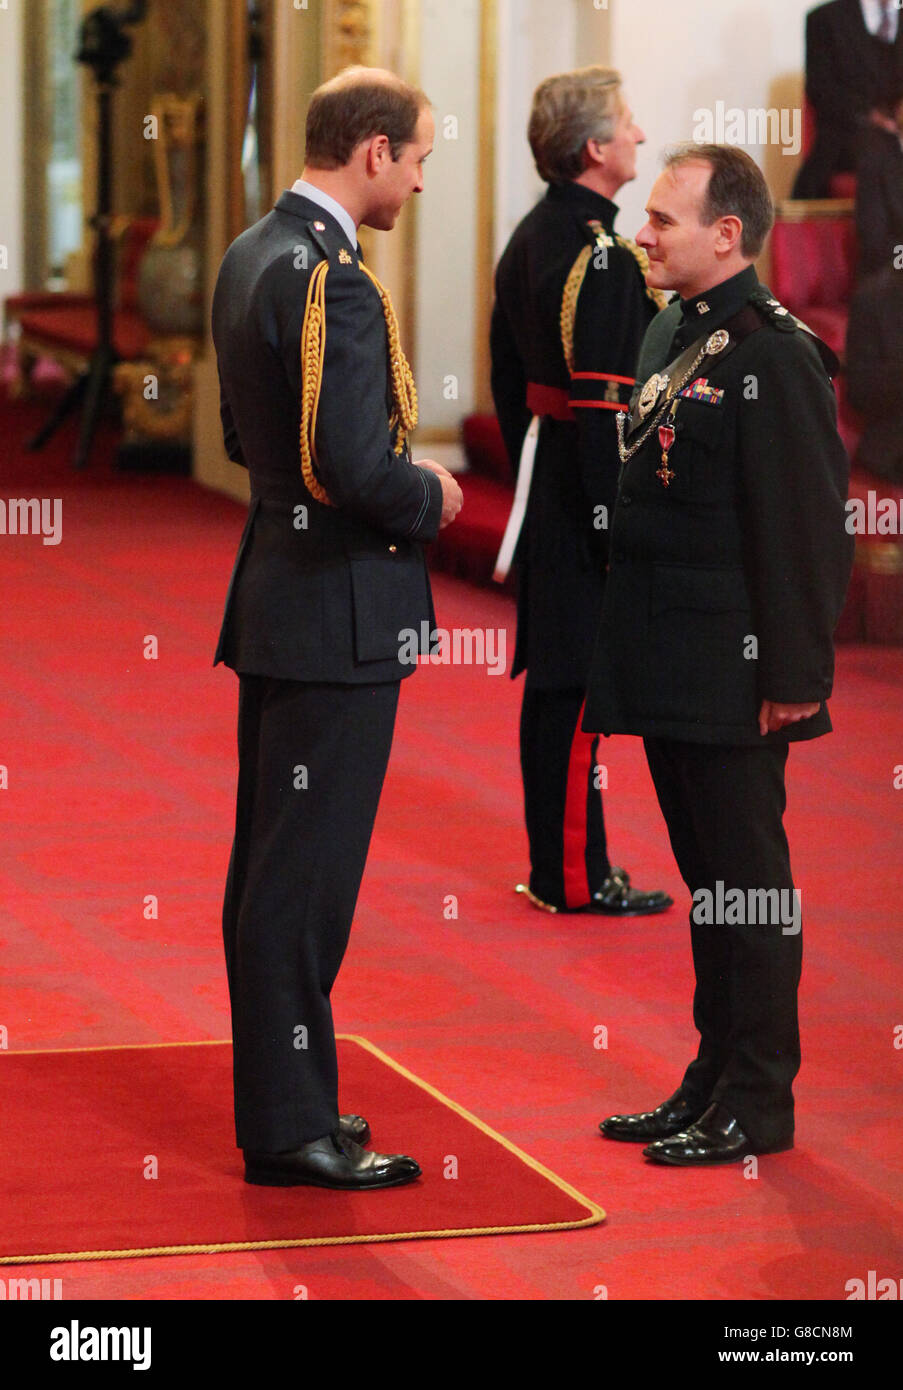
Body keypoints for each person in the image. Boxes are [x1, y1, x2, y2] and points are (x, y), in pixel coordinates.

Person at [212, 67, 462, 1189]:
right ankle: (288, 1129)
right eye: (414, 158)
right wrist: (435, 499)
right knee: (303, 886)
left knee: (271, 873)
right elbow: (355, 466)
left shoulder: (251, 250)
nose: (416, 178)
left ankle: (293, 1101)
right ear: (370, 150)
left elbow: (240, 429)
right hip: (338, 612)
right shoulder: (337, 283)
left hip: (278, 591)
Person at [586, 145, 854, 1164]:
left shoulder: (776, 355)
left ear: (726, 235)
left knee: (750, 889)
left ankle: (758, 1098)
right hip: (668, 657)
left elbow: (805, 532)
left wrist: (794, 678)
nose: (641, 233)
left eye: (662, 219)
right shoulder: (673, 327)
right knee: (710, 886)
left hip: (737, 673)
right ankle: (710, 1077)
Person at [489, 66, 673, 919]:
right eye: (628, 124)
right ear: (595, 148)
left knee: (558, 681)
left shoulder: (534, 233)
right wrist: (618, 525)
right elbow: (606, 409)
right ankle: (570, 875)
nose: (639, 135)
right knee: (569, 689)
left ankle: (567, 865)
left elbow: (503, 375)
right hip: (582, 487)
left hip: (546, 469)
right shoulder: (598, 254)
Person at [792, 0, 903, 198]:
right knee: (880, 152)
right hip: (847, 137)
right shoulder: (826, 19)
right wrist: (872, 118)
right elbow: (820, 89)